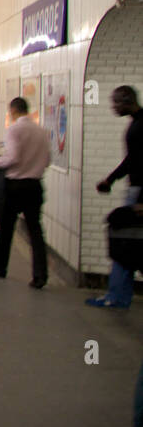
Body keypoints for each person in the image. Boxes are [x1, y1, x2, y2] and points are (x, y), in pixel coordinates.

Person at [0, 97, 50, 288]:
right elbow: (47, 160)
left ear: (13, 110)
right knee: (35, 231)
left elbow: (12, 157)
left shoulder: (14, 129)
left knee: (6, 228)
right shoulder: (42, 131)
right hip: (34, 185)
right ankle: (40, 275)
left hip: (14, 186)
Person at [87, 85, 143, 308]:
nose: (113, 107)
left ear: (127, 100)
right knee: (127, 242)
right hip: (136, 189)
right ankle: (119, 295)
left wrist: (140, 200)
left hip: (139, 191)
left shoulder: (140, 127)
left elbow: (135, 162)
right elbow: (133, 160)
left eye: (116, 103)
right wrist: (110, 180)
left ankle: (116, 297)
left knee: (122, 241)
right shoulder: (137, 123)